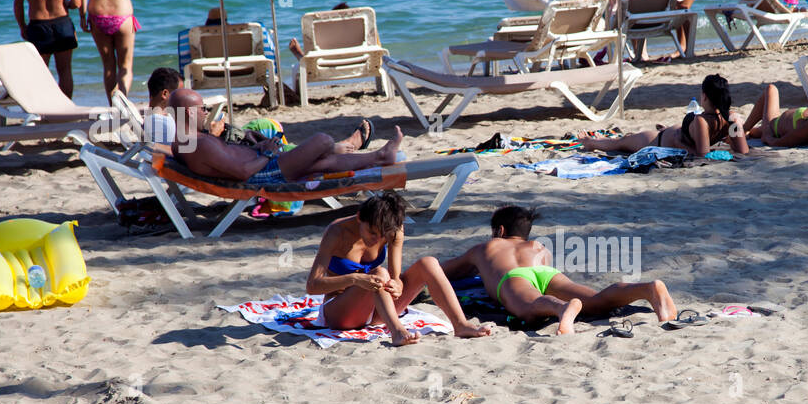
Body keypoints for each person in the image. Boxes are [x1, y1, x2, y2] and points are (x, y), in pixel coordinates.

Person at [439, 206, 677, 335]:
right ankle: (647, 288)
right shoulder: (537, 246)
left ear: (499, 230)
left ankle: (562, 307)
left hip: (513, 277)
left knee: (529, 307)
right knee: (596, 299)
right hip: (547, 273)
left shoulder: (486, 247)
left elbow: (444, 272)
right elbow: (539, 271)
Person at [306, 192, 491, 345]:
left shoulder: (393, 229)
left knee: (429, 263)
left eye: (382, 235)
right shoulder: (337, 232)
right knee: (379, 273)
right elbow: (312, 286)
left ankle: (460, 324)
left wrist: (396, 285)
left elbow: (397, 280)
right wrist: (355, 279)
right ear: (360, 217)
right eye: (372, 232)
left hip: (378, 311)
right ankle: (397, 332)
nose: (376, 239)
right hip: (340, 313)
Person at [166, 87, 401, 183]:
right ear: (189, 111)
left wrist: (256, 148)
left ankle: (380, 156)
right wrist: (267, 154)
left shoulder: (187, 141)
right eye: (203, 109)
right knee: (323, 141)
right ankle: (362, 150)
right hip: (264, 174)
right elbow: (242, 171)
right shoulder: (196, 143)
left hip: (260, 163)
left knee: (324, 161)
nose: (206, 113)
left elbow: (228, 160)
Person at [579, 74, 748, 156]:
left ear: (704, 96)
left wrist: (679, 143)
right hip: (664, 137)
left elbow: (702, 155)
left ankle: (591, 142)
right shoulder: (731, 118)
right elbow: (742, 150)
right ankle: (593, 142)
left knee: (621, 142)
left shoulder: (702, 120)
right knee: (623, 142)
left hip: (662, 139)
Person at [144, 67, 182, 146]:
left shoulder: (157, 118)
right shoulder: (160, 123)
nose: (182, 96)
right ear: (165, 94)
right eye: (179, 93)